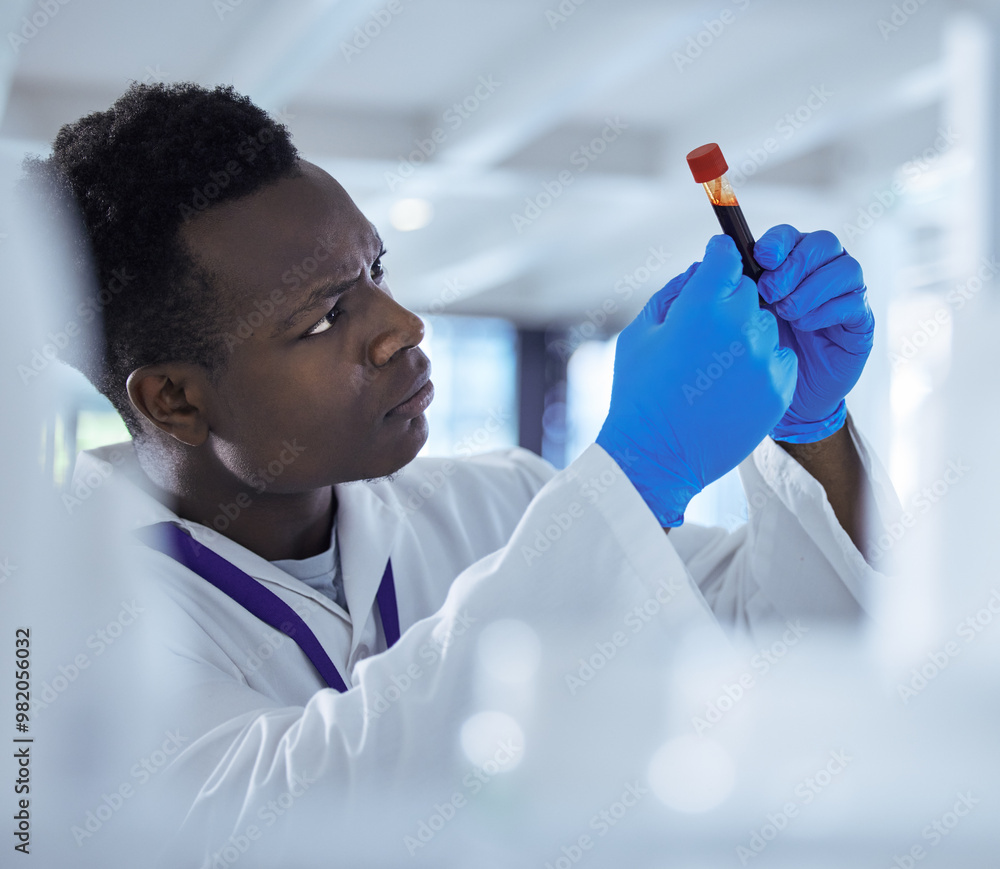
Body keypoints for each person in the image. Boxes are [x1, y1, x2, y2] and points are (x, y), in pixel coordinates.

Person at [26, 82, 896, 866]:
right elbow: (283, 816)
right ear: (176, 399)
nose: (402, 324)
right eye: (328, 314)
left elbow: (788, 645)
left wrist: (810, 428)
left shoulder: (505, 504)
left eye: (376, 271)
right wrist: (636, 478)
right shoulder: (58, 636)